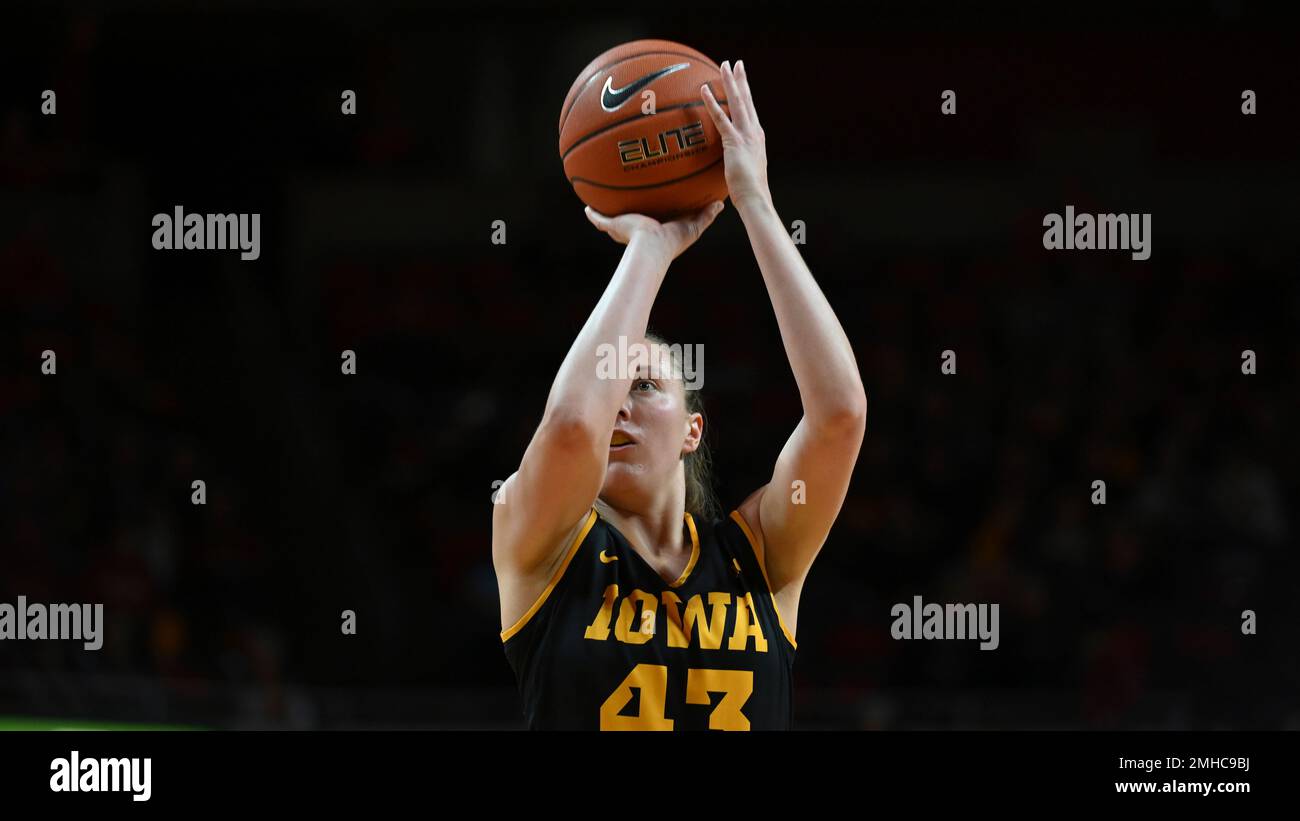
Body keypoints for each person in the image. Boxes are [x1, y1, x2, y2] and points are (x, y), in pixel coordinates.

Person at [493, 59, 867, 729]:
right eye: (611, 385)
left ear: (693, 430)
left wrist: (755, 203)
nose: (616, 404)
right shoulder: (540, 540)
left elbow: (840, 414)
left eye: (643, 385)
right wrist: (651, 246)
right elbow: (574, 426)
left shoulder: (762, 556)